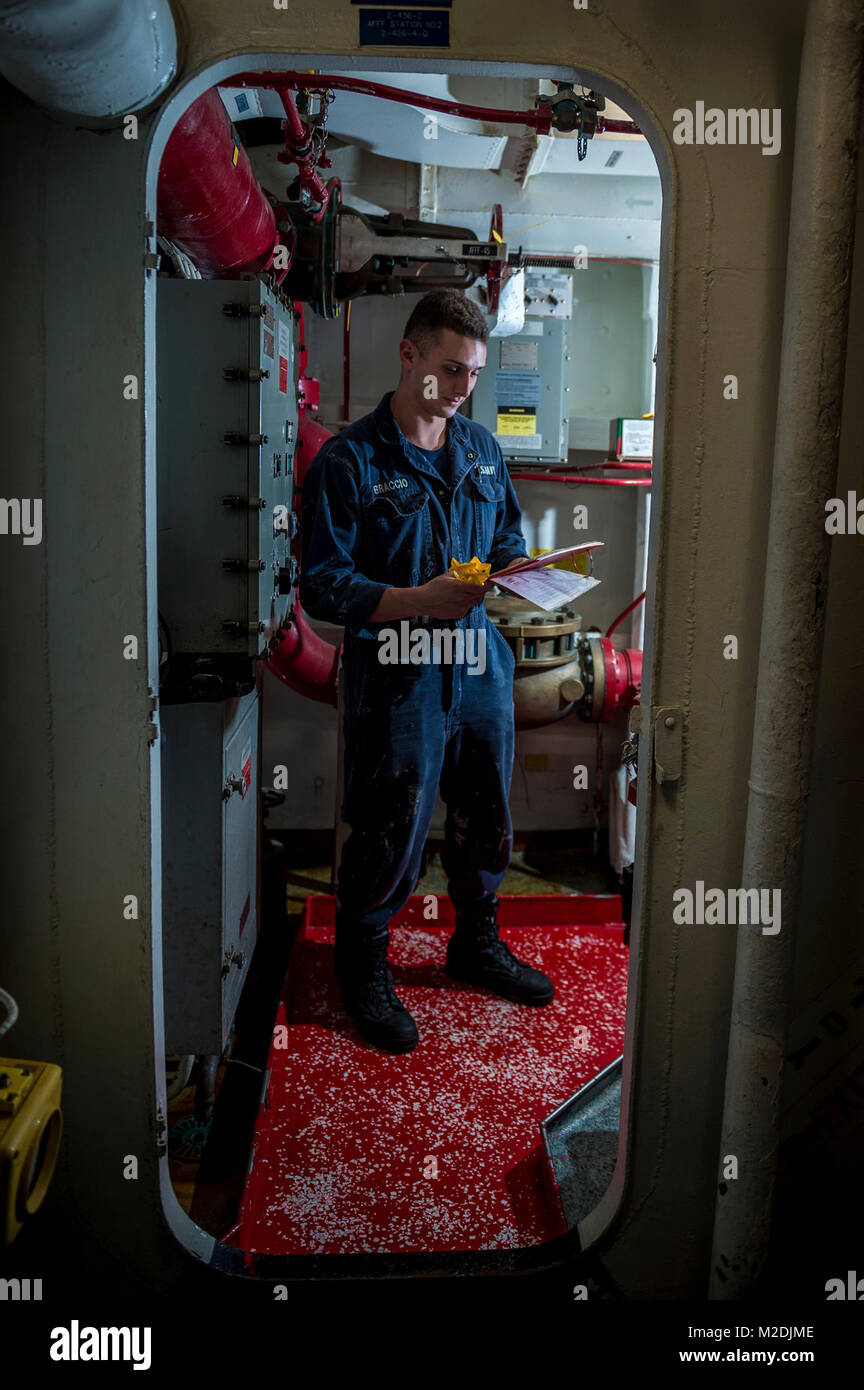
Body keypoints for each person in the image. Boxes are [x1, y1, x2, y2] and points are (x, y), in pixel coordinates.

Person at [300, 289, 554, 1053]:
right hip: (398, 672)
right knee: (390, 819)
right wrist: (419, 600)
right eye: (450, 369)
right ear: (408, 355)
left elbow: (505, 531)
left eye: (474, 372)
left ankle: (474, 942)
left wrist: (529, 572)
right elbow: (321, 585)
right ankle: (363, 963)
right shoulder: (350, 461)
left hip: (477, 662)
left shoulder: (480, 449)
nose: (463, 387)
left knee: (486, 812)